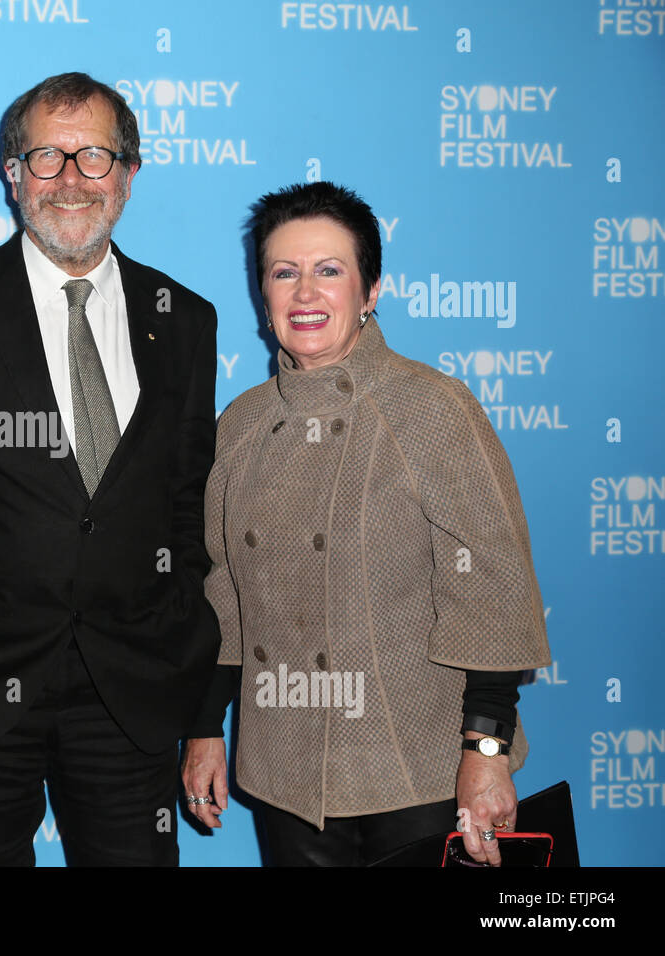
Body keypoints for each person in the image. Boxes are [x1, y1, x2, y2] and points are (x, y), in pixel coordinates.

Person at [0, 72, 221, 867]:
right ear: (12, 175)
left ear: (131, 175)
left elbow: (189, 515)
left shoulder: (184, 320)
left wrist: (201, 707)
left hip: (129, 696)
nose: (71, 178)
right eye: (46, 156)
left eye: (96, 156)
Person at [182, 181, 551, 867]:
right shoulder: (240, 425)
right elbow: (225, 593)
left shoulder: (432, 408)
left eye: (330, 271)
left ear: (371, 289)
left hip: (417, 769)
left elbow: (494, 594)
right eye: (283, 273)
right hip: (283, 771)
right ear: (263, 296)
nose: (304, 293)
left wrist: (487, 753)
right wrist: (205, 729)